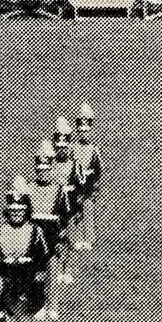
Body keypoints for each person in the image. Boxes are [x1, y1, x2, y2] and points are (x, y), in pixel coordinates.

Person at [0, 177, 50, 322]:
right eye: (13, 209)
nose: (16, 213)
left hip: (26, 276)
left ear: (26, 209)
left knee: (25, 314)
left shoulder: (34, 230)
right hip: (7, 276)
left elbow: (42, 255)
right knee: (9, 314)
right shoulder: (0, 229)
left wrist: (39, 272)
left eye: (20, 209)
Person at [30, 123, 79, 322]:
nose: (43, 172)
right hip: (35, 236)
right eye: (40, 169)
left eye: (46, 169)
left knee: (52, 271)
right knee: (37, 274)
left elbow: (66, 215)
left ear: (51, 168)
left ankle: (53, 305)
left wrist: (62, 237)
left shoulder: (58, 189)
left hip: (52, 234)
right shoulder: (30, 188)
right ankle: (41, 304)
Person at [70, 101, 102, 251]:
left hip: (88, 185)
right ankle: (76, 238)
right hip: (76, 185)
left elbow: (98, 169)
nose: (84, 133)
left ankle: (89, 238)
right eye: (81, 130)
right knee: (75, 212)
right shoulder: (73, 148)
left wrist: (94, 185)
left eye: (87, 130)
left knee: (88, 210)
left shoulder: (94, 149)